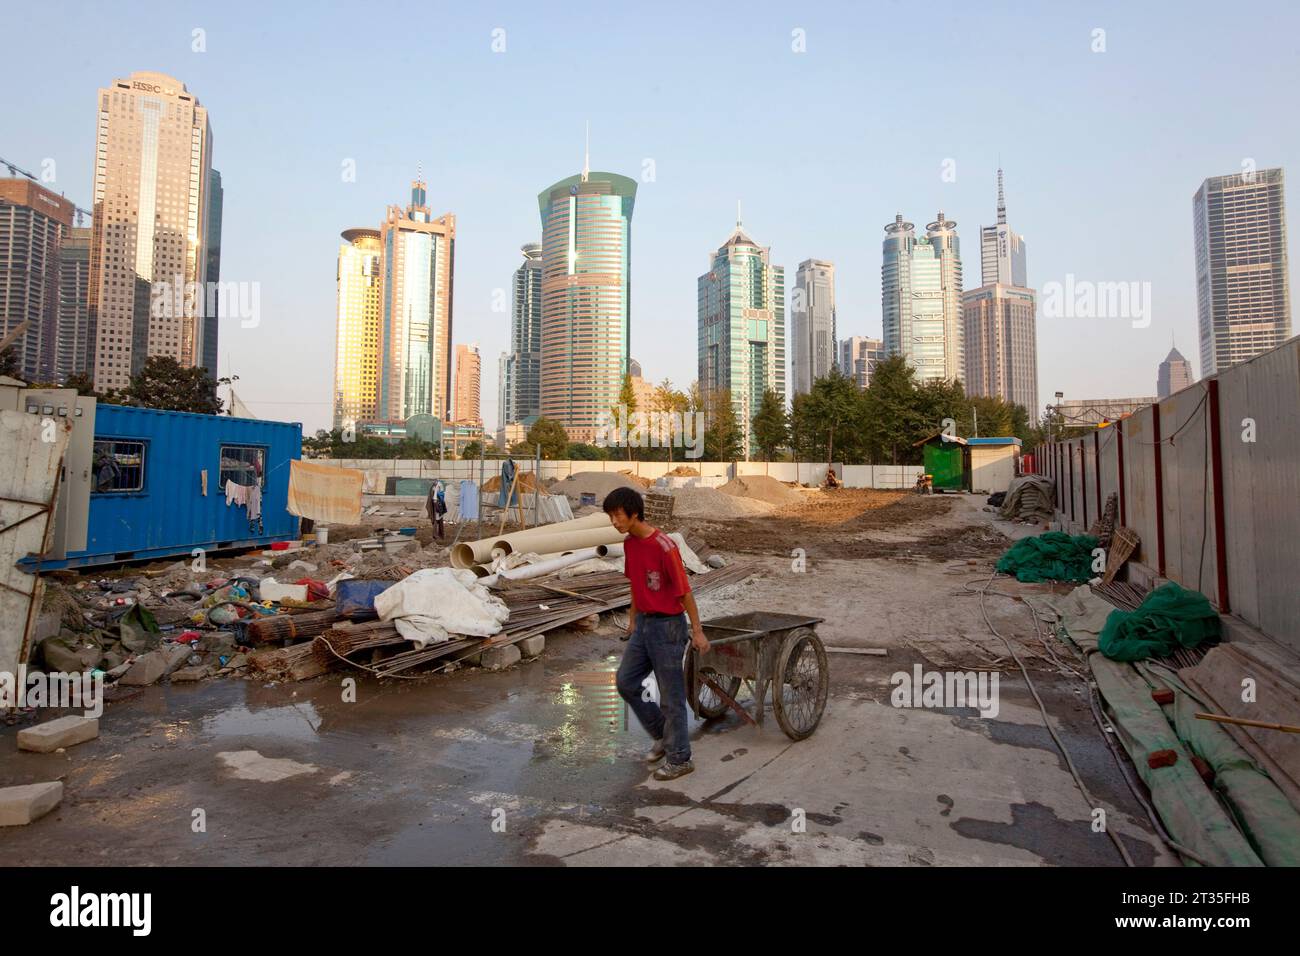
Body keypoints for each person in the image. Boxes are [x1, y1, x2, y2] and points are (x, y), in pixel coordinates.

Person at [603, 486, 710, 781]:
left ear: (634, 513)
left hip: (669, 627)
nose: (613, 521)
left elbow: (685, 593)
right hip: (645, 626)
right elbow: (636, 584)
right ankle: (663, 734)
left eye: (617, 515)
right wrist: (633, 618)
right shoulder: (630, 545)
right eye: (610, 516)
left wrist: (697, 631)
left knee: (671, 695)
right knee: (626, 681)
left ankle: (680, 758)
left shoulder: (665, 546)